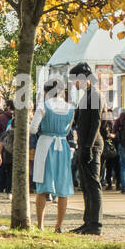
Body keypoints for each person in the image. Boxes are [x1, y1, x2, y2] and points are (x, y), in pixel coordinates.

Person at [32, 77, 75, 231]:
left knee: (42, 186)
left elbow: (33, 128)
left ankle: (40, 225)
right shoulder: (70, 108)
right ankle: (59, 225)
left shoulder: (43, 106)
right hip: (62, 145)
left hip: (45, 144)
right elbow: (69, 130)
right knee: (63, 186)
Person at [69, 63, 105, 235]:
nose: (74, 84)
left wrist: (88, 147)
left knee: (92, 184)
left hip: (92, 145)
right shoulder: (87, 95)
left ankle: (95, 223)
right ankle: (88, 221)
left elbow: (95, 124)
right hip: (84, 144)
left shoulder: (95, 95)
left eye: (76, 80)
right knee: (85, 184)